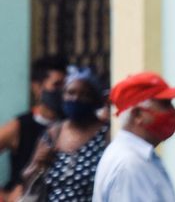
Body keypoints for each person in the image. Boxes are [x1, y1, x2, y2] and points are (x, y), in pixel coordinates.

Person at [91, 71, 175, 202]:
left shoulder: (139, 157)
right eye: (165, 104)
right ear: (138, 115)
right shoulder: (129, 165)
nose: (173, 111)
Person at [22, 67, 108, 202]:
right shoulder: (52, 134)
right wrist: (38, 164)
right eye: (70, 93)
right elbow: (27, 179)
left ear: (95, 99)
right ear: (63, 96)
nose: (76, 99)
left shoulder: (105, 135)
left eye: (84, 94)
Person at [1, 55, 67, 201]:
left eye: (65, 85)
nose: (62, 91)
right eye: (57, 84)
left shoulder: (68, 124)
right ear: (37, 87)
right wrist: (5, 196)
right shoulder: (20, 126)